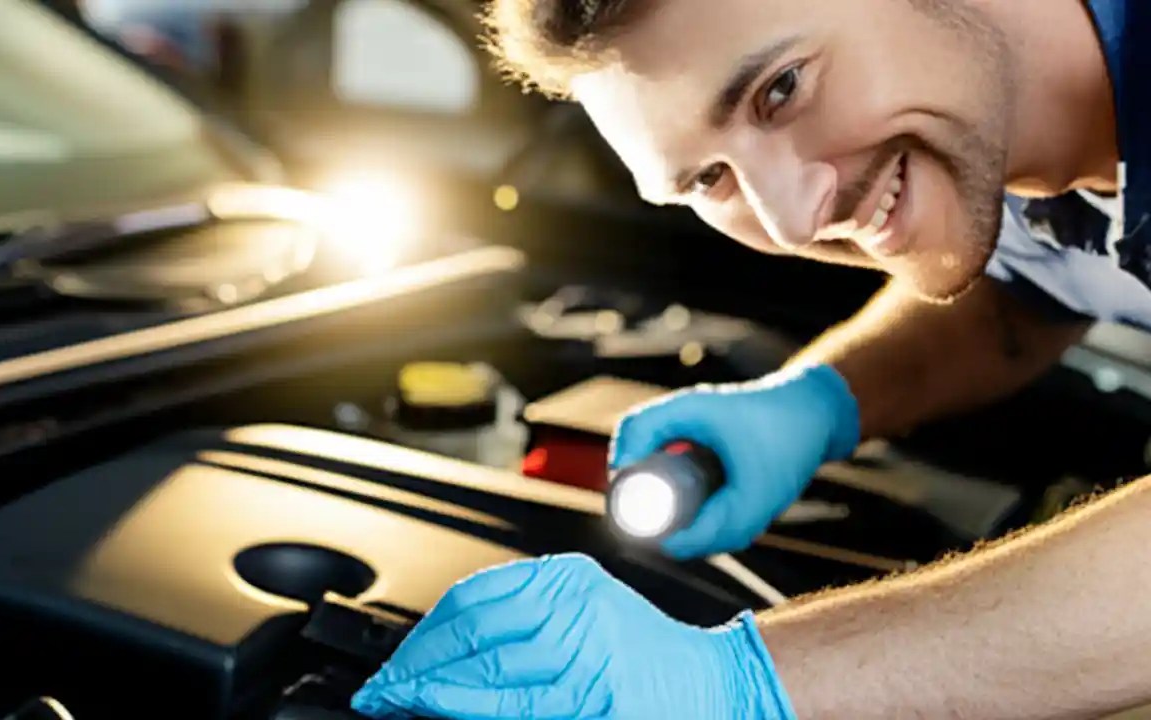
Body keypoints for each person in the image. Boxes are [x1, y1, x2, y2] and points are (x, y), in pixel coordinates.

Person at [350, 0, 1151, 717]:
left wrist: (752, 682)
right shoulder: (997, 126)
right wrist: (821, 402)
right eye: (709, 178)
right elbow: (1034, 290)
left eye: (782, 88)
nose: (793, 217)